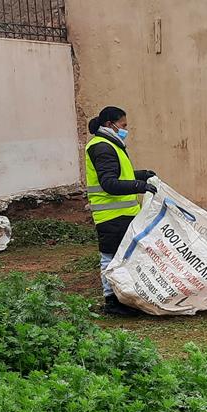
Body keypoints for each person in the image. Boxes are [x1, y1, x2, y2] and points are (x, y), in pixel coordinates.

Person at [85, 106, 157, 316]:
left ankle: (124, 298)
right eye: (123, 125)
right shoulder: (102, 147)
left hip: (122, 214)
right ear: (110, 124)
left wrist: (141, 175)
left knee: (125, 256)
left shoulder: (110, 144)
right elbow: (109, 183)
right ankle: (112, 302)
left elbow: (118, 175)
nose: (126, 129)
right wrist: (138, 186)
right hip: (111, 215)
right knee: (110, 257)